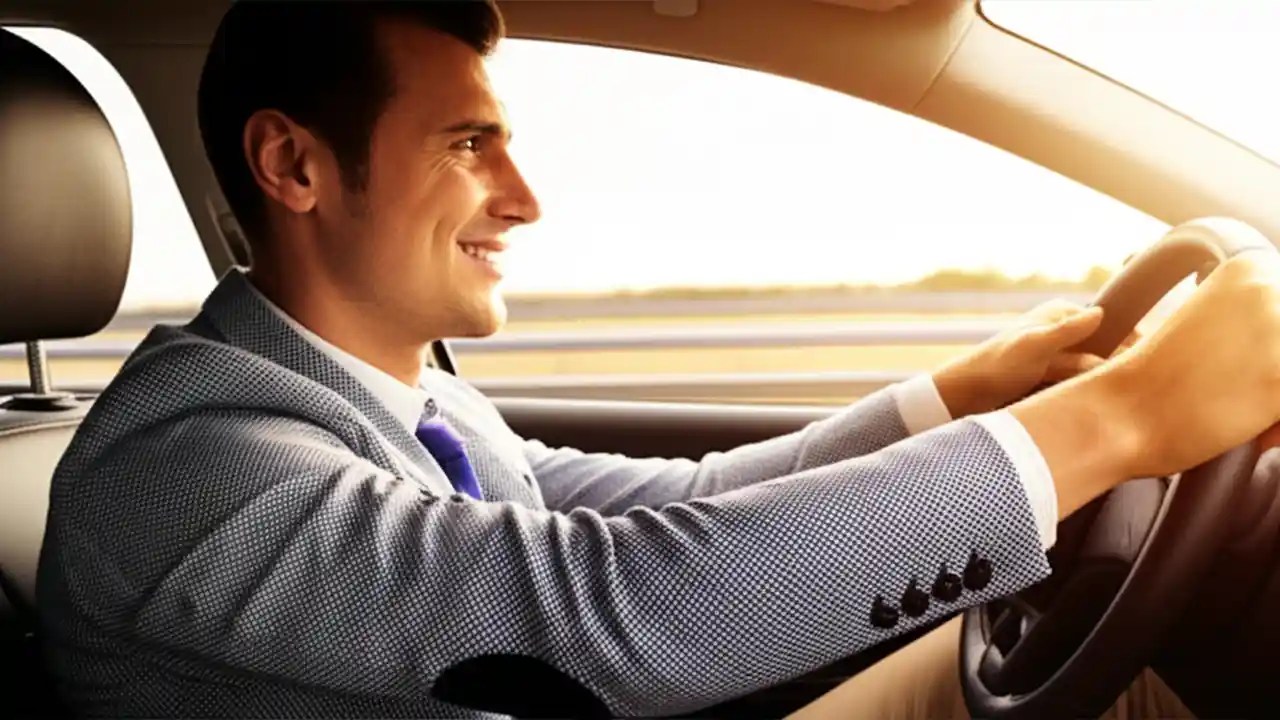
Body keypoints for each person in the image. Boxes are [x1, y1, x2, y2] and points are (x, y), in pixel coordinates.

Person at [33, 2, 1280, 717]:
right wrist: (1115, 423)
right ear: (294, 166)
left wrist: (955, 397)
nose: (521, 198)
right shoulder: (187, 461)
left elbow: (678, 509)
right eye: (468, 143)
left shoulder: (390, 404)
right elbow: (599, 612)